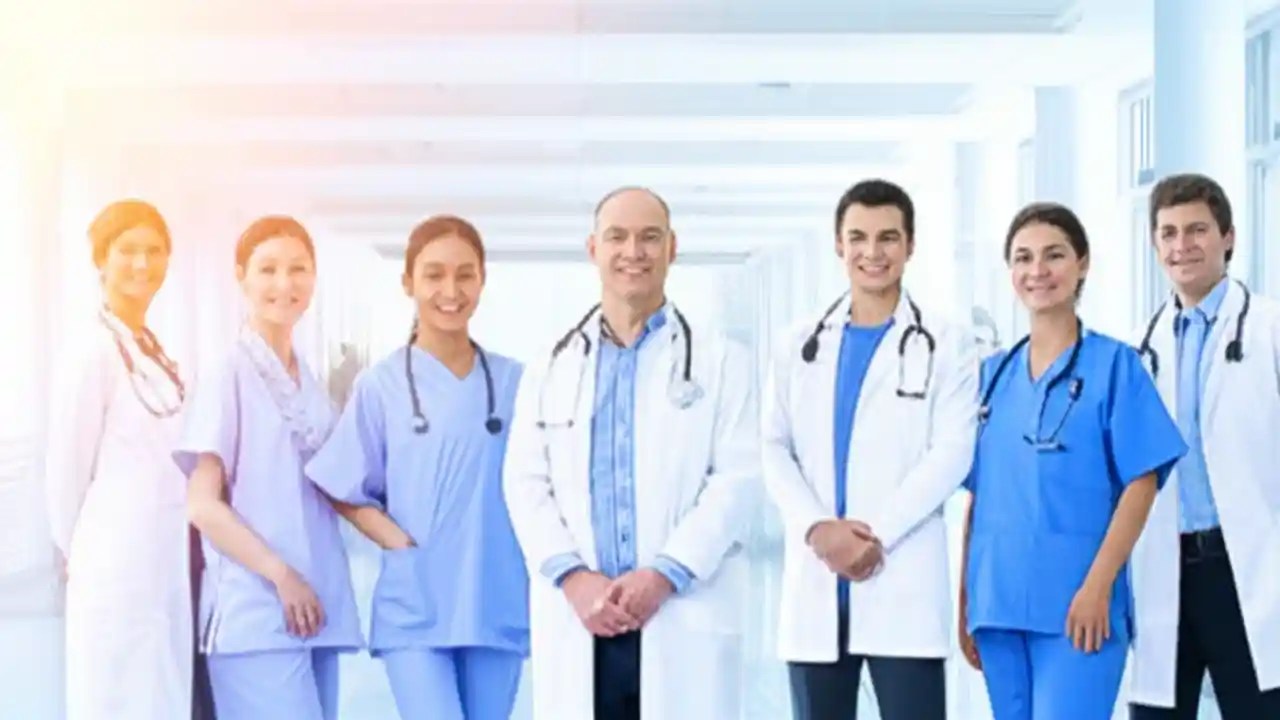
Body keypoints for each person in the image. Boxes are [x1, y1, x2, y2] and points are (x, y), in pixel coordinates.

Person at [502, 186, 760, 720]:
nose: (633, 252)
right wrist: (573, 577)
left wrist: (663, 574)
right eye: (617, 237)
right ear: (593, 248)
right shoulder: (551, 363)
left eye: (649, 237)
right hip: (582, 613)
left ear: (672, 248)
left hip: (680, 608)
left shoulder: (721, 361)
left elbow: (737, 480)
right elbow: (525, 483)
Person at [958, 202, 1186, 719]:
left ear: (1082, 264)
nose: (1037, 271)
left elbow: (1142, 482)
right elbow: (979, 497)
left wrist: (1098, 585)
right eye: (1023, 258)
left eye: (1054, 255)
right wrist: (966, 603)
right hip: (997, 605)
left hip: (1079, 605)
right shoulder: (991, 377)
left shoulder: (1115, 366)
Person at [761, 179, 979, 720]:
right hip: (817, 583)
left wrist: (873, 535)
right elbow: (773, 445)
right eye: (858, 237)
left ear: (910, 245)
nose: (872, 252)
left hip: (899, 572)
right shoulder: (798, 342)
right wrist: (819, 529)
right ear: (839, 244)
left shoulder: (948, 343)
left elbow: (952, 452)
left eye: (888, 238)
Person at [305, 215, 528, 719]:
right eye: (433, 275)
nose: (450, 290)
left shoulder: (516, 383)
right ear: (408, 282)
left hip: (494, 598)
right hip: (416, 603)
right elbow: (339, 483)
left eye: (465, 274)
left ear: (482, 280)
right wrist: (395, 541)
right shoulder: (380, 385)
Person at [174, 215, 362, 720]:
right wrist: (281, 575)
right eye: (268, 269)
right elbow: (202, 506)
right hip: (256, 611)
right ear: (242, 277)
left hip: (313, 608)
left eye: (299, 269)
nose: (285, 283)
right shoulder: (227, 372)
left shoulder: (309, 379)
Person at [45, 199, 208, 720]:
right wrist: (78, 548)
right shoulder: (90, 350)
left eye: (155, 251)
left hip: (163, 550)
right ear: (100, 259)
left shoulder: (150, 347)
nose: (143, 264)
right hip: (111, 557)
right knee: (116, 692)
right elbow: (66, 465)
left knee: (160, 686)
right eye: (128, 251)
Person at [1127, 173, 1280, 719]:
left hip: (1247, 568)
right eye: (1168, 233)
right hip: (1166, 567)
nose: (1181, 245)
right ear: (1154, 245)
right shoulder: (1142, 345)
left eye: (1196, 230)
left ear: (1228, 238)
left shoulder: (1266, 329)